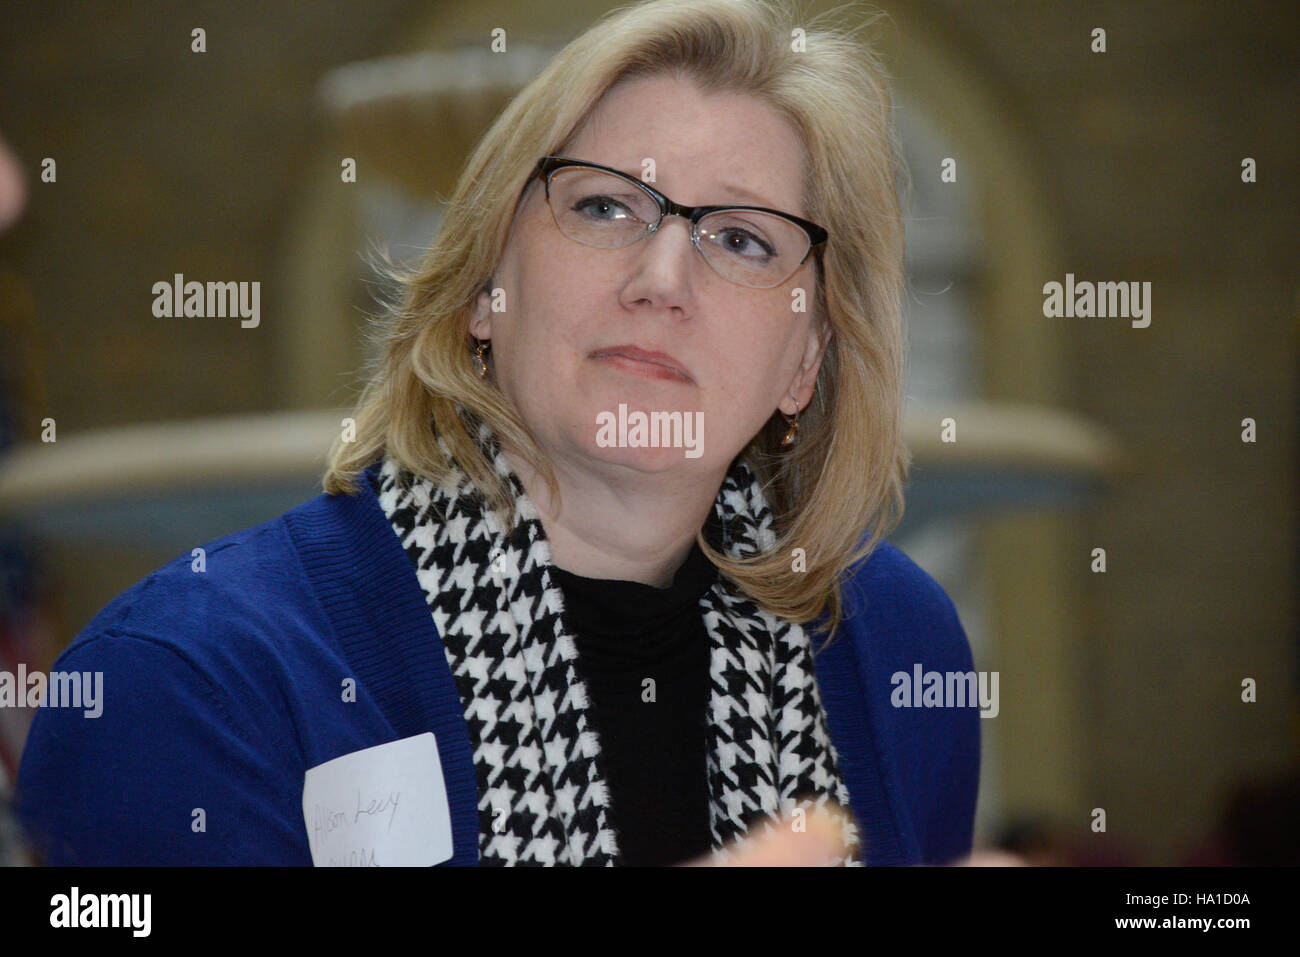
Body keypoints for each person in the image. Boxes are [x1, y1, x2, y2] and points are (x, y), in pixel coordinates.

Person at [14, 0, 979, 866]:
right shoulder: (185, 681)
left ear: (803, 362)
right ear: (485, 288)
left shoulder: (893, 643)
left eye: (742, 238)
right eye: (605, 205)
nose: (663, 278)